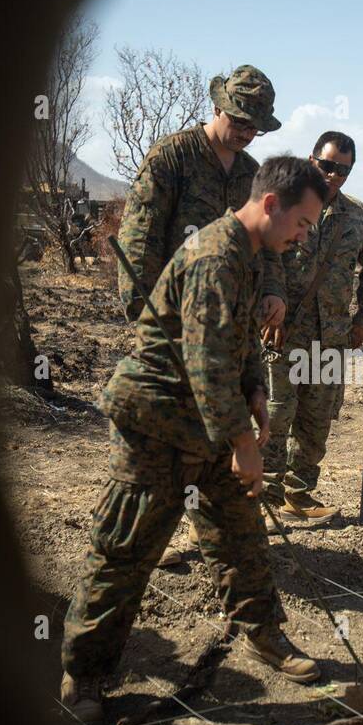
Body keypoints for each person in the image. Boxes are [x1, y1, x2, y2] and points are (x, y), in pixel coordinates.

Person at [59, 156, 329, 725]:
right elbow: (204, 358)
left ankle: (263, 634)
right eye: (303, 223)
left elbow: (241, 342)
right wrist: (244, 443)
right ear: (272, 204)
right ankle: (84, 675)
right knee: (125, 551)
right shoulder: (214, 255)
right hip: (156, 421)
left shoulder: (254, 255)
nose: (304, 237)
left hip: (210, 419)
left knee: (241, 534)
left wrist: (255, 388)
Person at [115, 64, 289, 565]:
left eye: (255, 125)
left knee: (214, 432)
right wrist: (147, 322)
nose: (245, 130)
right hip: (171, 323)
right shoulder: (172, 157)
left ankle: (211, 535)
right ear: (216, 107)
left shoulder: (252, 174)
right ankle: (146, 537)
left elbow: (269, 241)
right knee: (164, 435)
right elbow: (138, 243)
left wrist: (274, 290)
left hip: (225, 325)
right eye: (238, 119)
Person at [262, 132, 363, 520]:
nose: (334, 176)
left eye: (343, 170)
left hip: (331, 337)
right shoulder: (282, 206)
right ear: (311, 160)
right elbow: (264, 260)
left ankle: (298, 494)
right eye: (327, 166)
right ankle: (263, 496)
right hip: (281, 331)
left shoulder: (361, 217)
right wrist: (268, 309)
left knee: (316, 418)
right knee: (275, 413)